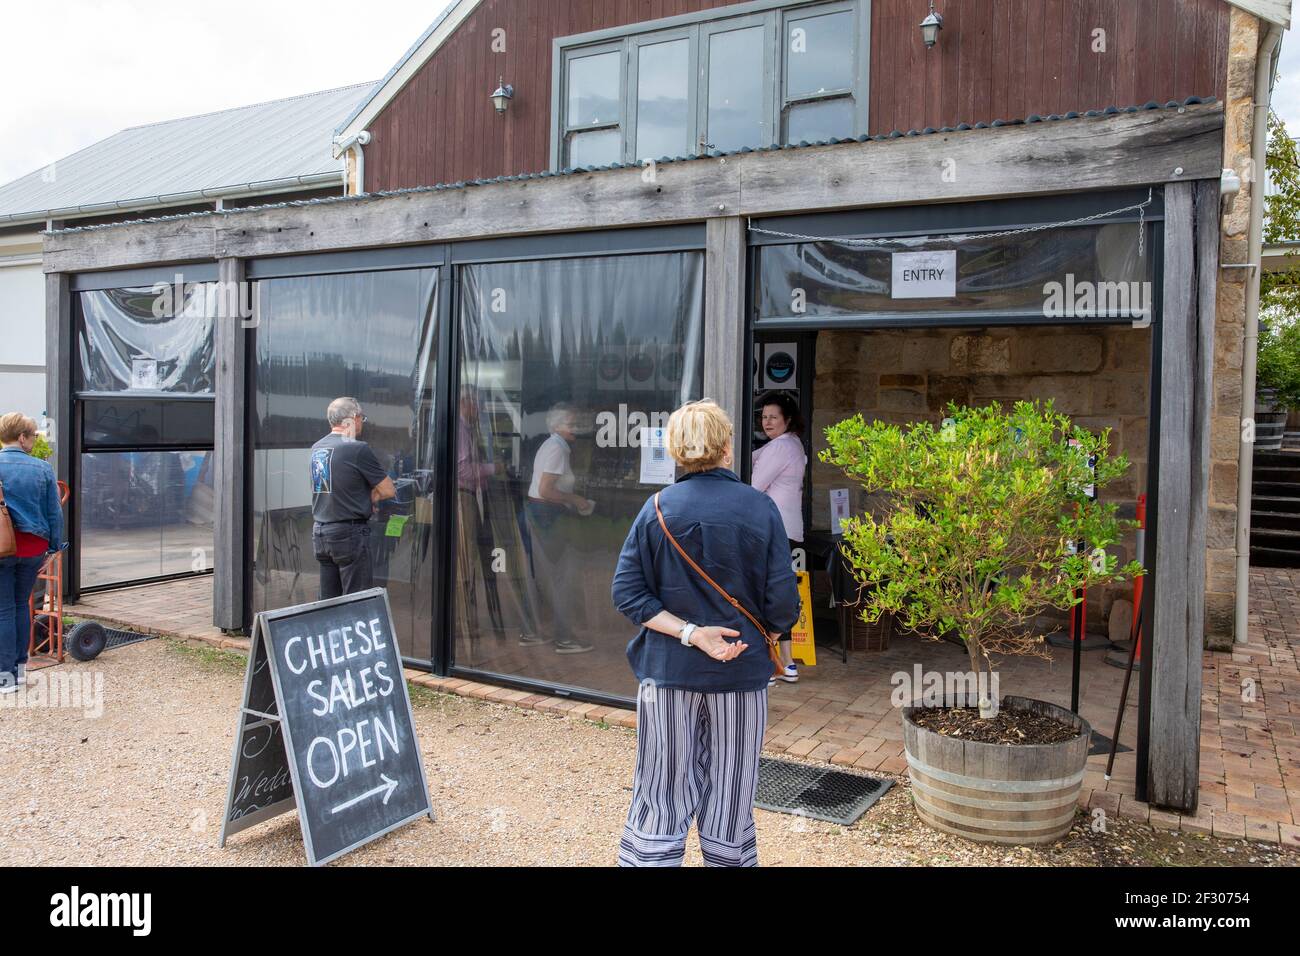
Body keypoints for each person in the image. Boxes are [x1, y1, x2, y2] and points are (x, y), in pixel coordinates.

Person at [612, 400, 800, 867]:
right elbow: (783, 607)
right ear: (726, 447)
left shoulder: (655, 509)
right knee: (732, 789)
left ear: (677, 450)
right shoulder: (761, 509)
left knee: (661, 786)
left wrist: (692, 632)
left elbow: (628, 595)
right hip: (740, 671)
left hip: (665, 673)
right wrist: (763, 632)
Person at [525, 404, 595, 654]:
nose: (575, 426)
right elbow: (546, 490)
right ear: (556, 426)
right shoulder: (556, 448)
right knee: (563, 575)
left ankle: (533, 632)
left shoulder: (552, 445)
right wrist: (575, 499)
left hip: (539, 512)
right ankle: (564, 638)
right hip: (547, 514)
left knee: (544, 574)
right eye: (570, 422)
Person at [310, 398, 396, 600]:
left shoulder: (317, 448)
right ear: (353, 419)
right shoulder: (357, 448)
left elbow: (329, 488)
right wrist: (371, 497)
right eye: (361, 418)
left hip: (321, 533)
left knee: (329, 602)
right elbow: (388, 490)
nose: (362, 423)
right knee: (356, 601)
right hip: (349, 533)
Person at [0, 414, 62, 693]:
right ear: (22, 437)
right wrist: (54, 547)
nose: (36, 439)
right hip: (34, 548)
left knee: (3, 610)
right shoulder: (42, 469)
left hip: (2, 548)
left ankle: (6, 677)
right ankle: (21, 669)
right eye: (34, 435)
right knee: (19, 605)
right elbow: (54, 513)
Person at [751, 391, 807, 685]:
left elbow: (753, 485)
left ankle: (770, 664)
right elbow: (755, 457)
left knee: (764, 593)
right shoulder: (792, 444)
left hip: (771, 528)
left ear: (787, 419)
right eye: (764, 417)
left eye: (773, 417)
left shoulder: (780, 447)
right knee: (780, 591)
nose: (767, 421)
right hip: (788, 528)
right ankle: (787, 662)